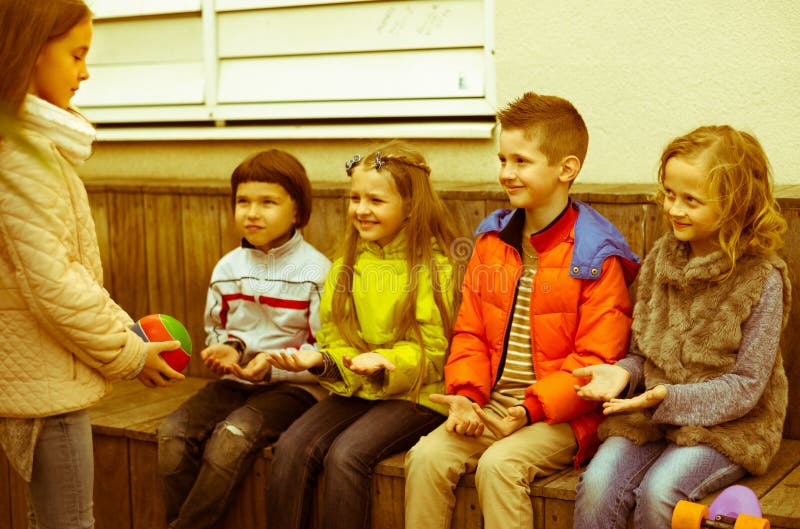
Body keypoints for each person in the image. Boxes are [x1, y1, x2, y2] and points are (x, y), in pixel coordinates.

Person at [404, 91, 641, 529]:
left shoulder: (596, 255)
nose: (506, 173)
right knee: (426, 458)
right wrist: (467, 397)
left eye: (521, 161)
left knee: (500, 467)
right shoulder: (492, 243)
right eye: (502, 160)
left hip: (561, 416)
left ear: (566, 168)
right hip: (492, 405)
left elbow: (595, 362)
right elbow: (470, 332)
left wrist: (529, 410)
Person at [0, 1, 185, 527]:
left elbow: (59, 273)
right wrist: (131, 353)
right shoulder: (23, 154)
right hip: (47, 382)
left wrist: (127, 333)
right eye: (76, 55)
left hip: (48, 369)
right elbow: (54, 285)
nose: (85, 71)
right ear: (32, 54)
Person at [572, 125, 791, 529]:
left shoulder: (762, 278)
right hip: (652, 419)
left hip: (729, 428)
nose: (674, 209)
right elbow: (643, 354)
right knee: (599, 484)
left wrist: (662, 398)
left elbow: (746, 386)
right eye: (670, 194)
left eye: (691, 200)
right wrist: (622, 372)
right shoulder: (661, 258)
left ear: (736, 205)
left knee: (659, 493)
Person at [263, 140, 461, 529]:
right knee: (291, 446)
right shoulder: (344, 267)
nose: (362, 209)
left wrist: (387, 362)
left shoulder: (435, 270)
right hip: (358, 389)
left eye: (376, 200)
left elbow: (436, 352)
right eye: (355, 198)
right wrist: (323, 360)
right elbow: (336, 339)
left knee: (347, 454)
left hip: (416, 394)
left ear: (410, 206)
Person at [156, 149, 331, 529]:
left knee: (230, 438)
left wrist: (270, 368)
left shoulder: (317, 271)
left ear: (297, 212)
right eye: (243, 202)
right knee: (171, 435)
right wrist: (229, 349)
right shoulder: (228, 268)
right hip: (237, 382)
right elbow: (220, 329)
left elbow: (324, 355)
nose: (252, 213)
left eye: (268, 202)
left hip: (296, 389)